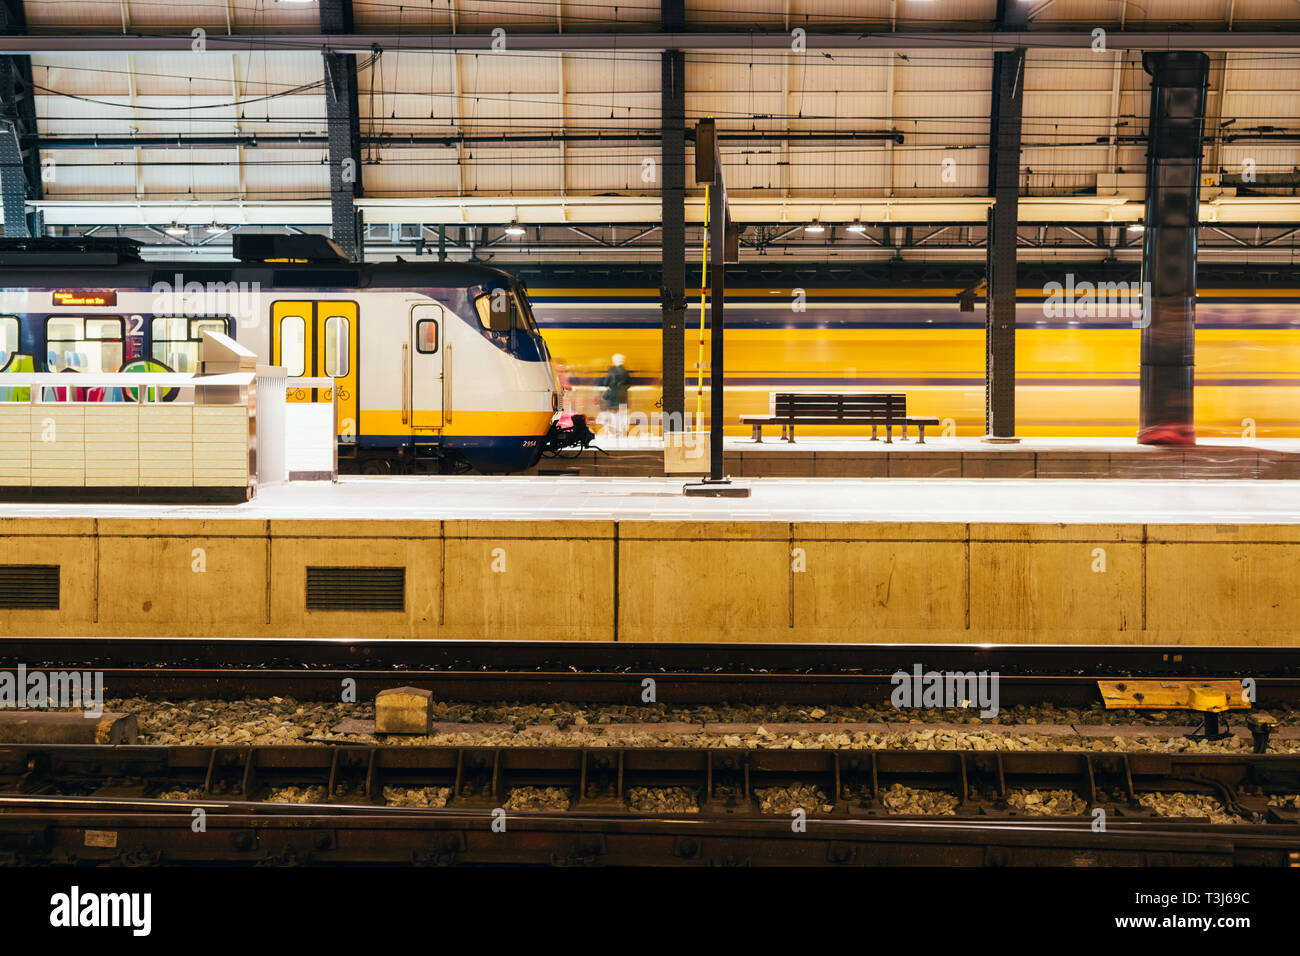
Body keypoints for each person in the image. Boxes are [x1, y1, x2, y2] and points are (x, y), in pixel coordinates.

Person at [598, 354, 631, 438]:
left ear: (614, 360)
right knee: (623, 413)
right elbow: (629, 384)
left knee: (613, 413)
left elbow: (605, 383)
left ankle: (615, 431)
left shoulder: (612, 371)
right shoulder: (626, 371)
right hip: (623, 395)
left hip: (613, 395)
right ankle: (623, 431)